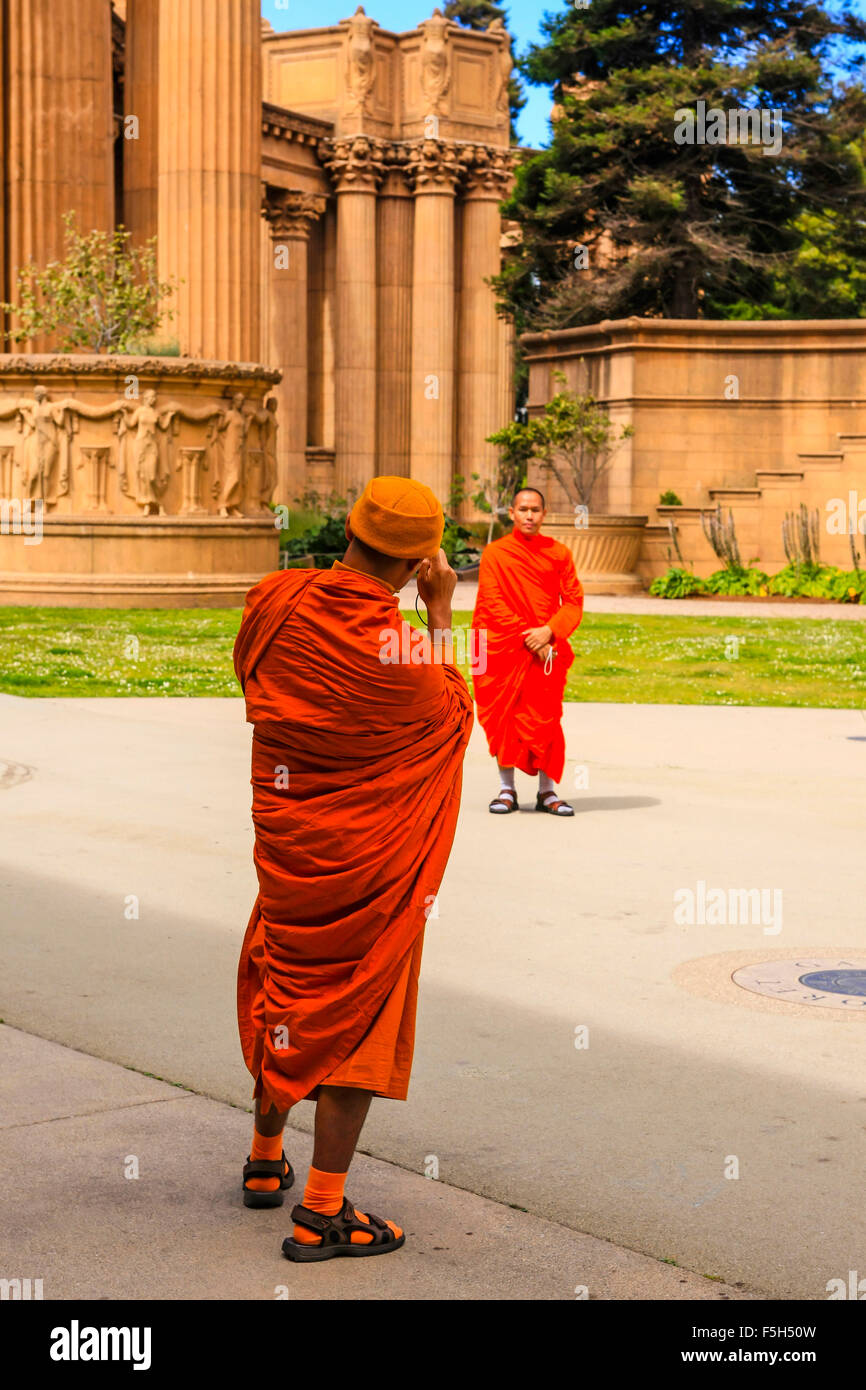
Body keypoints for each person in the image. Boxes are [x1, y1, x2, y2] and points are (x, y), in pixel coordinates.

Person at [233, 476, 473, 1262]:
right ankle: (321, 1212)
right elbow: (455, 710)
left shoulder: (273, 597)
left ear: (348, 526)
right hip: (369, 870)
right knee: (357, 1011)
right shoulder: (407, 656)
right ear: (423, 560)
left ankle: (267, 1160)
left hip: (293, 851)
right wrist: (440, 613)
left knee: (285, 987)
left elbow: (254, 676)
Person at [471, 486, 584, 817]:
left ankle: (547, 793)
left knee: (546, 718)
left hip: (547, 648)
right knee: (504, 718)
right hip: (506, 649)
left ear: (544, 514)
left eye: (535, 509)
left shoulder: (559, 553)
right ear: (511, 513)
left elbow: (574, 602)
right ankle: (507, 790)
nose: (530, 515)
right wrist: (530, 639)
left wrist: (549, 633)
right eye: (523, 509)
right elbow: (493, 603)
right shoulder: (495, 554)